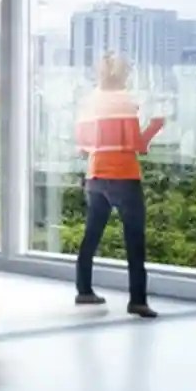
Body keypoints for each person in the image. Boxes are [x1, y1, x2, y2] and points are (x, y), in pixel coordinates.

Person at [73, 54, 161, 319]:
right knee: (134, 241)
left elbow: (82, 145)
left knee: (91, 236)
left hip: (96, 175)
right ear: (124, 76)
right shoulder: (126, 102)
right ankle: (137, 300)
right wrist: (155, 127)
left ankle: (84, 290)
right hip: (124, 176)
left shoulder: (90, 102)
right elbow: (137, 145)